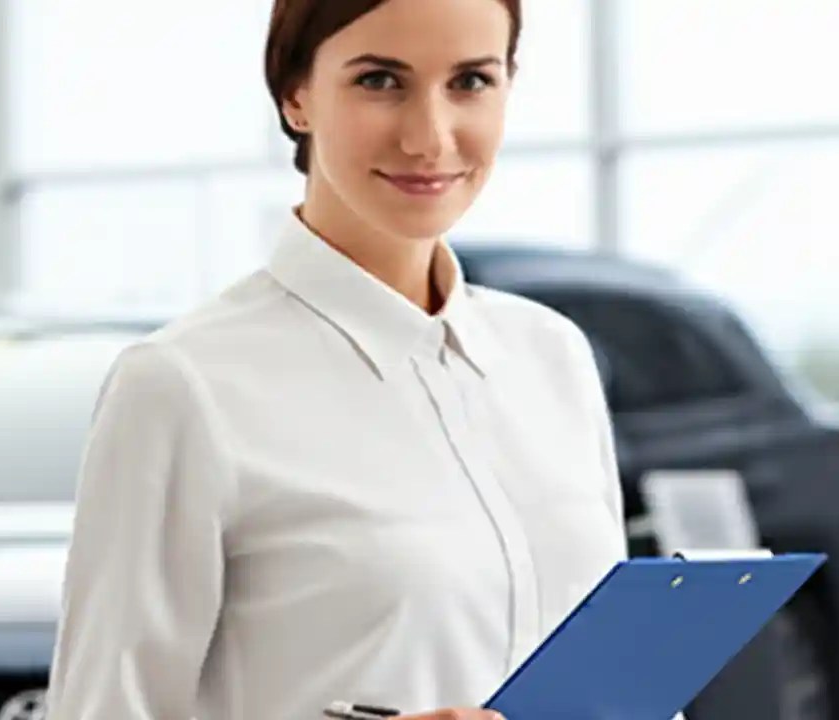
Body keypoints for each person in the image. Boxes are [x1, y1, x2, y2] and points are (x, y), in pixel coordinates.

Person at [46, 0, 628, 718]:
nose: (430, 137)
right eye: (381, 81)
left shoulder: (552, 356)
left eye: (471, 82)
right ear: (296, 96)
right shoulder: (184, 387)